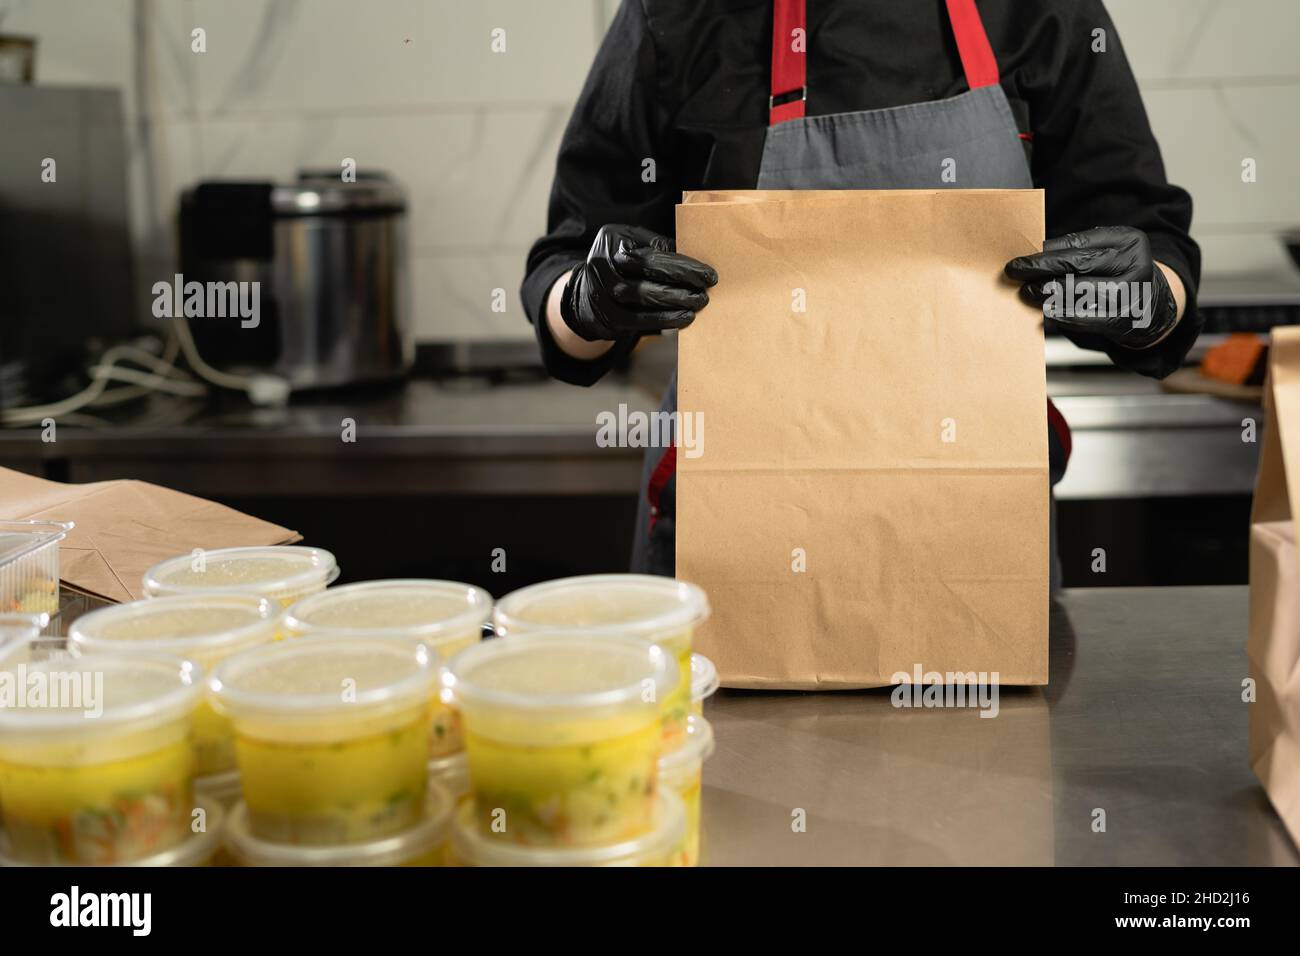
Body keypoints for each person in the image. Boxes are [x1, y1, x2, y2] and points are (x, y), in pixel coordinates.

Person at [521, 0, 1201, 585]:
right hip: (735, 542)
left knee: (996, 743)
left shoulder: (1037, 8)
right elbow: (566, 274)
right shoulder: (676, 16)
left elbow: (1157, 257)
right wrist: (590, 302)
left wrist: (1145, 300)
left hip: (975, 543)